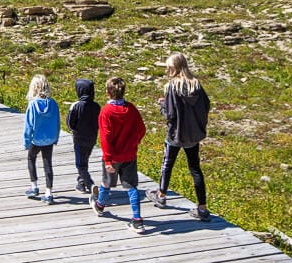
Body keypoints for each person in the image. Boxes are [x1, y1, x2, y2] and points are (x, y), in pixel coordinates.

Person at [146, 53, 213, 222]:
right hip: (193, 134)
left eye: (169, 67)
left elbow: (169, 114)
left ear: (175, 68)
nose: (167, 70)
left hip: (176, 133)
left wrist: (162, 104)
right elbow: (206, 105)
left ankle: (161, 195)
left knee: (167, 163)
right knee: (195, 169)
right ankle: (202, 207)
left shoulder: (172, 87)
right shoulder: (196, 84)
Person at [90, 77, 146, 234]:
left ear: (108, 93)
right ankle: (137, 219)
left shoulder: (106, 112)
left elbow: (105, 137)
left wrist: (107, 158)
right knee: (131, 186)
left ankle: (100, 205)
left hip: (113, 156)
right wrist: (135, 142)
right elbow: (141, 129)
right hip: (129, 155)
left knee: (107, 182)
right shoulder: (132, 109)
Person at [23, 75, 60, 205]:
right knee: (47, 163)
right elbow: (57, 122)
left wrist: (27, 141)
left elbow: (28, 125)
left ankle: (34, 187)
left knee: (31, 158)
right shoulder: (53, 103)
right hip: (49, 139)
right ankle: (49, 193)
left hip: (36, 139)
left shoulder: (32, 105)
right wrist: (56, 137)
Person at [66, 78, 100, 193]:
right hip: (92, 139)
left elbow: (70, 123)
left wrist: (74, 130)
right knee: (85, 161)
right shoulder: (96, 106)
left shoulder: (76, 105)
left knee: (80, 165)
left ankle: (90, 185)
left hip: (79, 139)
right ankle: (81, 183)